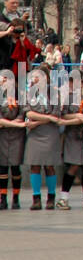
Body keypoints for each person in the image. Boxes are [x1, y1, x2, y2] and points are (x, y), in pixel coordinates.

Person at [57, 74, 83, 210]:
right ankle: (64, 198)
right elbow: (64, 114)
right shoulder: (70, 98)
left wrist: (68, 121)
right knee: (73, 166)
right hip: (72, 135)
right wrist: (75, 116)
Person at [23, 67, 61, 210]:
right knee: (35, 165)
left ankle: (51, 197)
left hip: (50, 132)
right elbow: (29, 113)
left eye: (38, 77)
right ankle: (36, 198)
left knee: (49, 165)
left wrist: (39, 121)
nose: (35, 80)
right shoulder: (29, 94)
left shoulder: (54, 94)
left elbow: (56, 115)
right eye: (34, 77)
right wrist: (46, 118)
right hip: (35, 134)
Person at [0, 69, 25, 209]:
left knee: (15, 167)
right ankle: (2, 197)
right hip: (3, 134)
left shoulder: (20, 95)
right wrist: (10, 123)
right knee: (2, 167)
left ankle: (16, 197)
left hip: (17, 135)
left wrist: (18, 120)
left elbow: (23, 111)